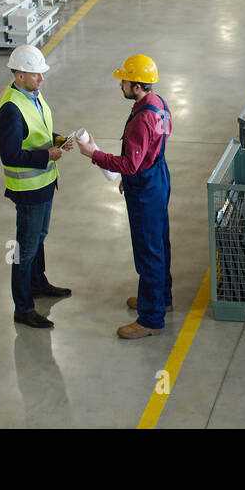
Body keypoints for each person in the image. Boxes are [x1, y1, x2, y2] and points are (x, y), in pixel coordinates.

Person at [77, 54, 173, 340]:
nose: (121, 84)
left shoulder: (141, 119)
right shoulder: (159, 105)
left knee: (148, 251)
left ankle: (151, 318)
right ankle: (161, 298)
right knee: (160, 243)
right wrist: (134, 175)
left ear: (138, 85)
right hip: (156, 177)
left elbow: (130, 164)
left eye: (125, 80)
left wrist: (93, 154)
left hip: (145, 189)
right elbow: (156, 144)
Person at [0, 44, 71, 330]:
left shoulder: (33, 97)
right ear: (19, 74)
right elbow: (10, 154)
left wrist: (57, 138)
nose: (41, 78)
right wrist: (46, 155)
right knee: (24, 250)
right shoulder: (11, 110)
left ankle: (38, 284)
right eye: (35, 74)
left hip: (45, 183)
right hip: (29, 191)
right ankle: (23, 308)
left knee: (40, 235)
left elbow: (37, 131)